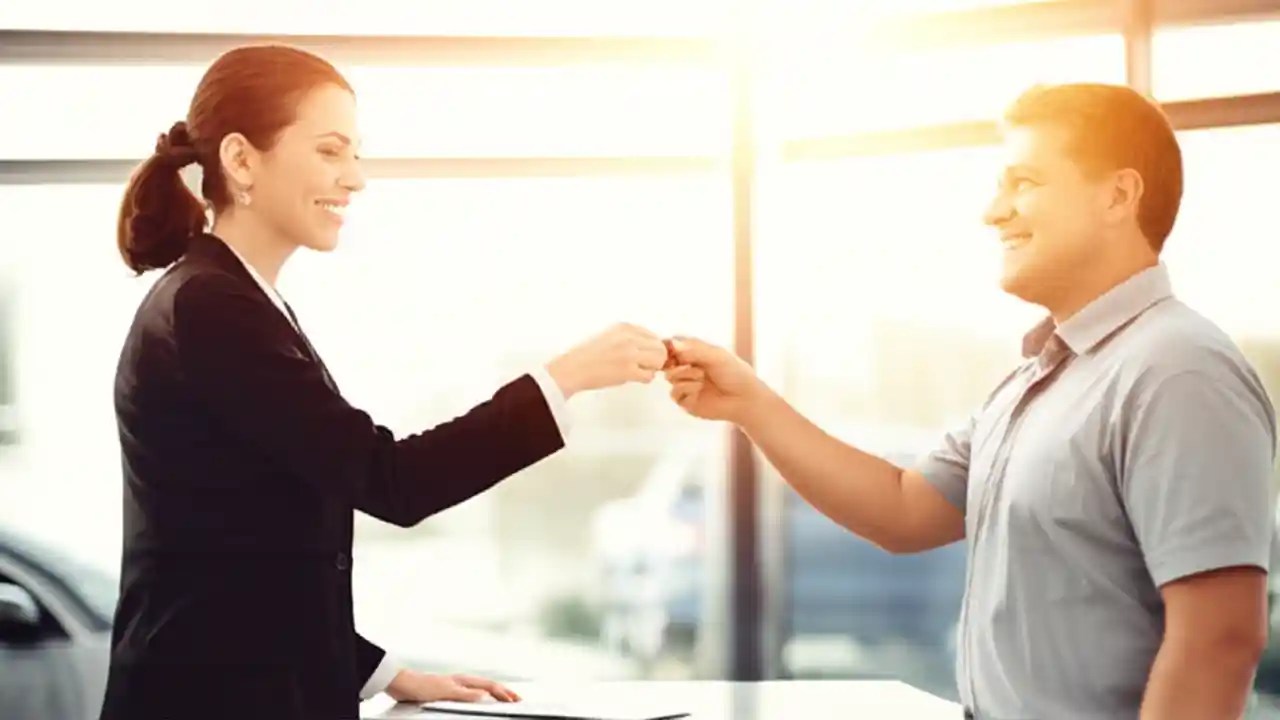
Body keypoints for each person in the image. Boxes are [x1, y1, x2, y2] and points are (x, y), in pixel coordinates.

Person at [664, 83, 1276, 719]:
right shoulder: (1034, 383)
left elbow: (1220, 639)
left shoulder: (1178, 368)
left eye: (1024, 182)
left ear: (1117, 196)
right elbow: (904, 510)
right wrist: (751, 405)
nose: (994, 211)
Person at [102, 44, 670, 720]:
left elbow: (241, 560)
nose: (355, 180)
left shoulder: (234, 300)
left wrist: (388, 674)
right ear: (242, 159)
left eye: (356, 156)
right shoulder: (211, 308)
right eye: (330, 151)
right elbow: (391, 479)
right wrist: (565, 379)